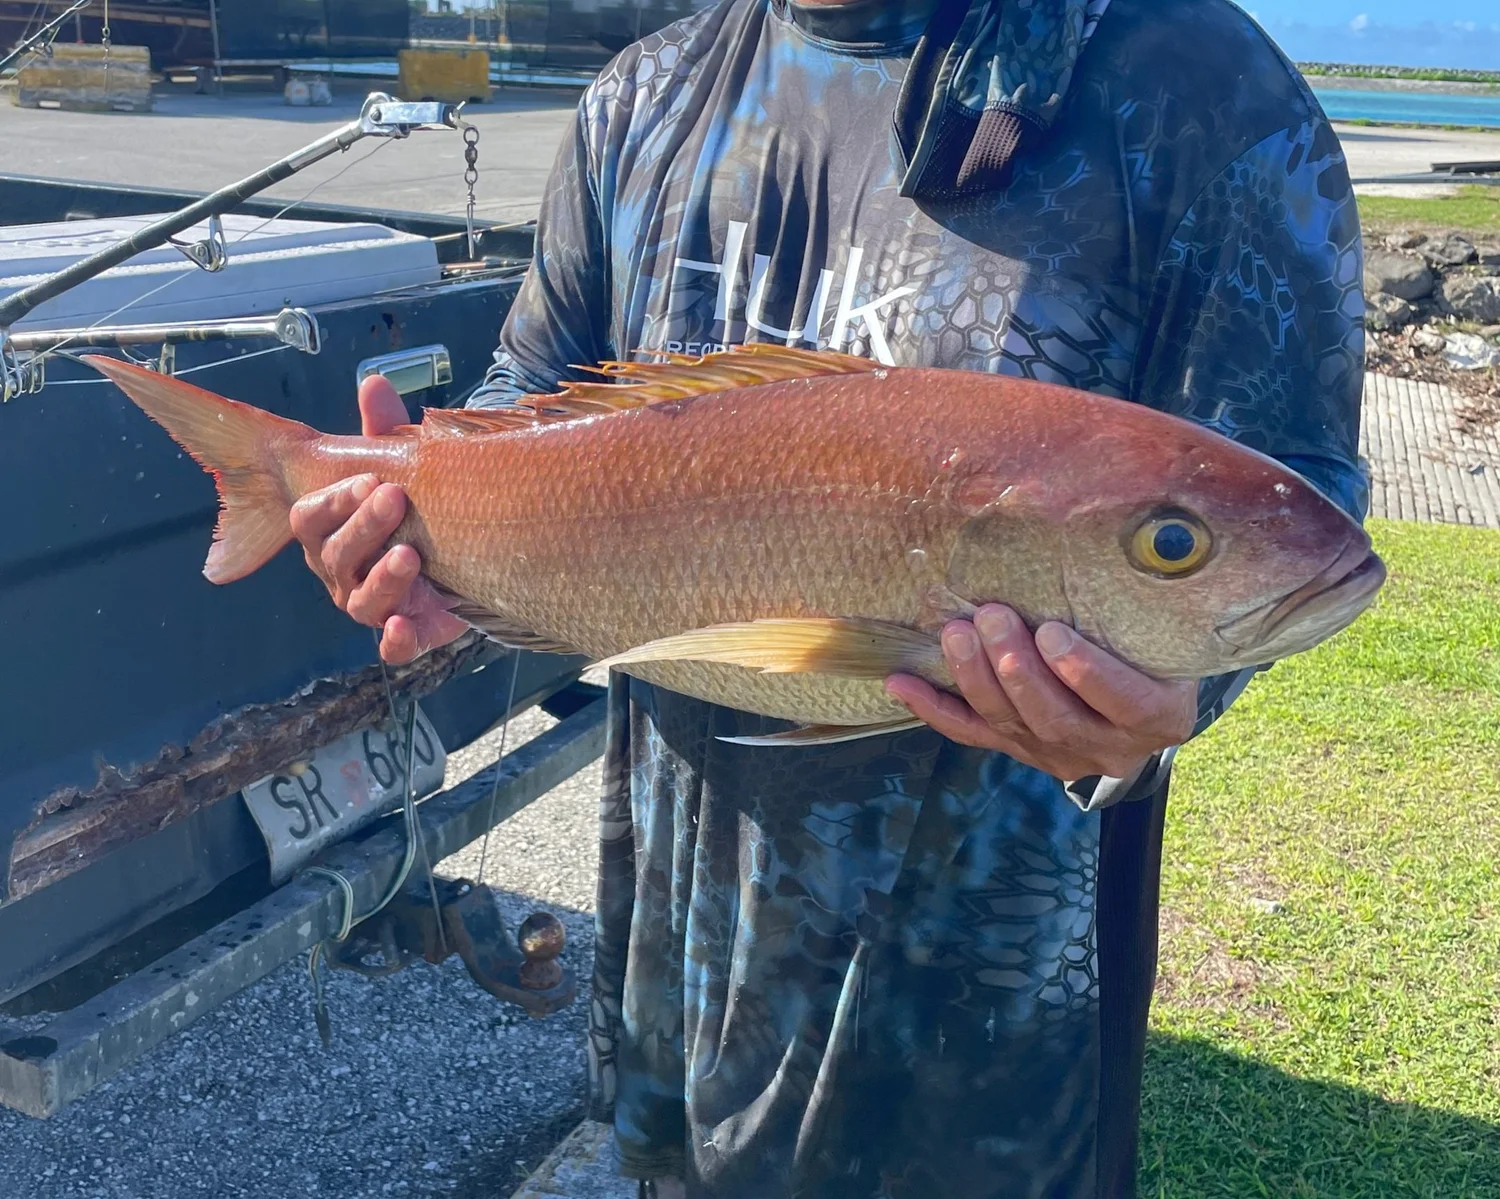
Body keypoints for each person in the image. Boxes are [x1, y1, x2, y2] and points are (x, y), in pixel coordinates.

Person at [291, 0, 1368, 1194]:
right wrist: (419, 535)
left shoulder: (1198, 88)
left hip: (978, 1030)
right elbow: (535, 386)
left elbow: (1294, 499)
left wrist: (1179, 694)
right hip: (683, 958)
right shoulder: (642, 96)